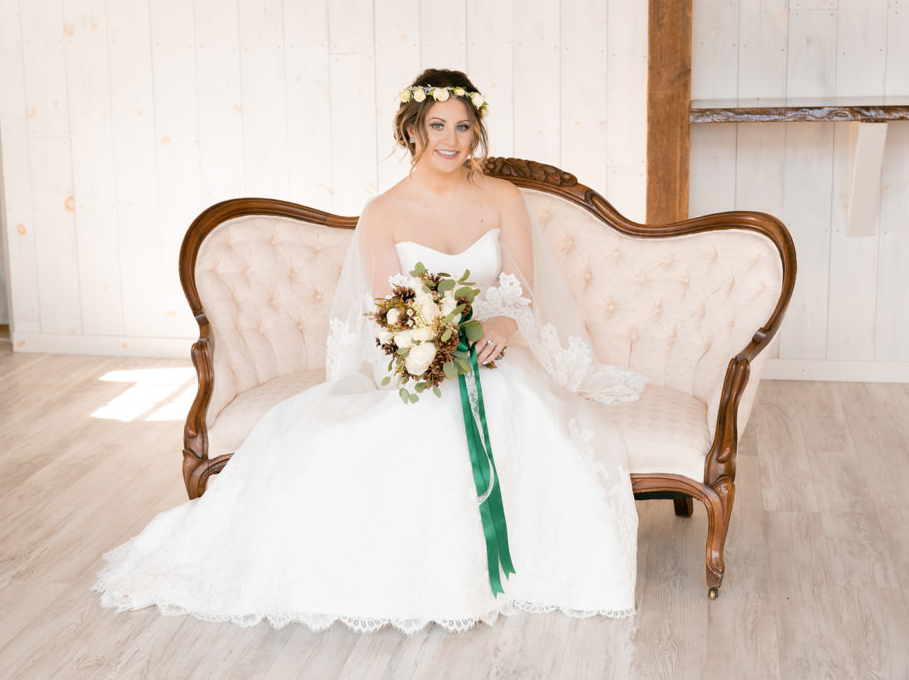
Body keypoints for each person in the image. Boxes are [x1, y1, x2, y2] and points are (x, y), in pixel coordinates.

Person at [94, 69, 646, 635]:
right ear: (412, 129)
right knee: (418, 421)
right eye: (436, 125)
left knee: (516, 402)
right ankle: (411, 570)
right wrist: (430, 345)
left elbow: (522, 289)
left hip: (491, 353)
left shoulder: (503, 197)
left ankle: (519, 564)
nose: (450, 139)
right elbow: (390, 312)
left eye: (462, 125)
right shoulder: (384, 211)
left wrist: (501, 324)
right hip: (418, 358)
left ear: (477, 130)